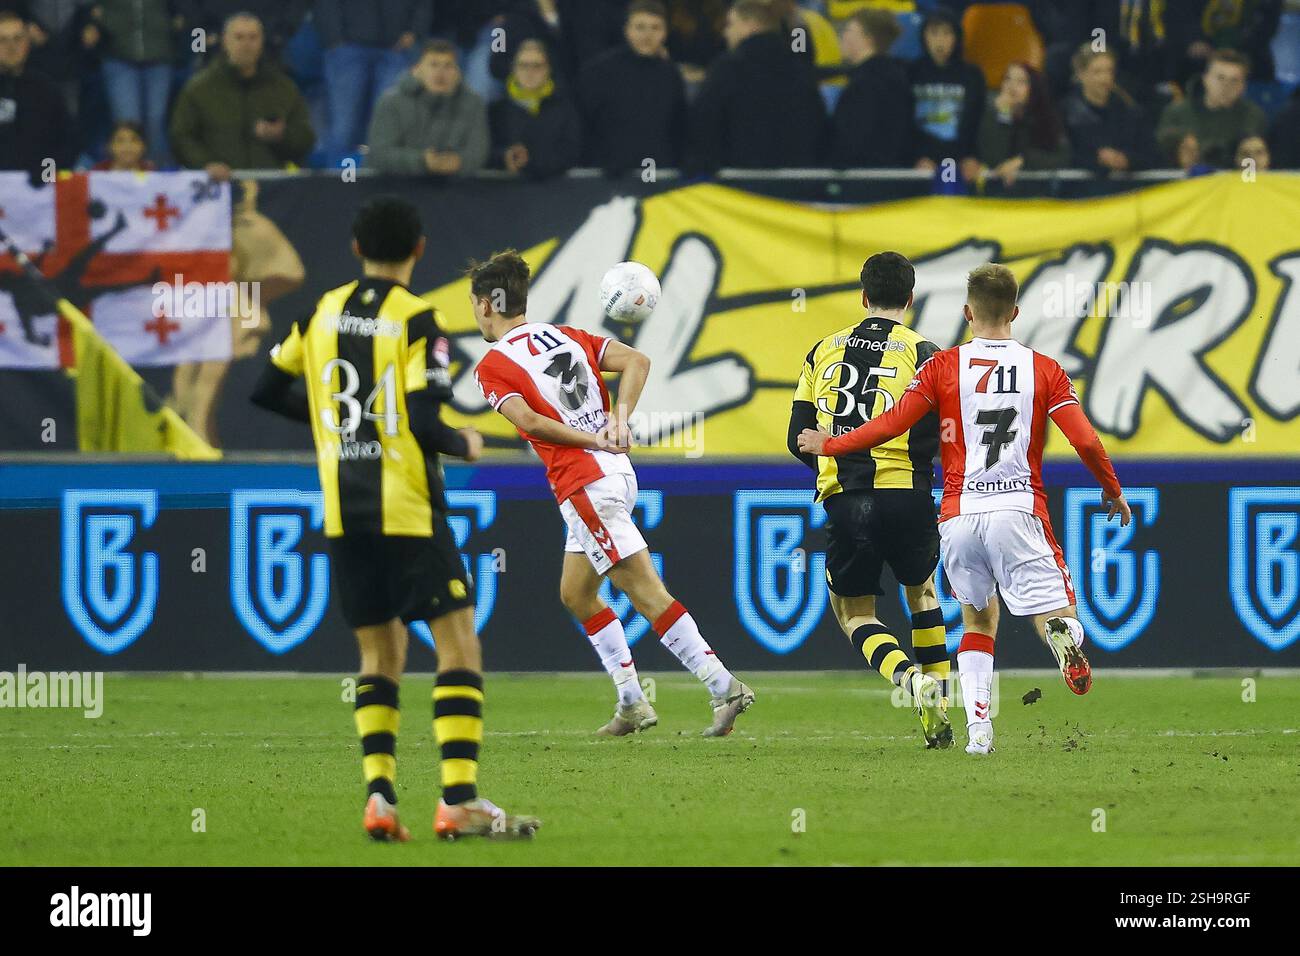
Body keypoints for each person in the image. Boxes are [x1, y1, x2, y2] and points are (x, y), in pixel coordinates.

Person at [249, 197, 540, 841]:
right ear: (420, 250)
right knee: (458, 642)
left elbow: (264, 390)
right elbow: (426, 420)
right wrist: (465, 441)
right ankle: (458, 798)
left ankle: (380, 796)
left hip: (344, 516)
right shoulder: (416, 320)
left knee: (378, 654)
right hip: (407, 508)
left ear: (355, 248)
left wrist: (334, 423)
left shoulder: (320, 314)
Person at [799, 264, 1130, 756]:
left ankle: (979, 734)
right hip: (1018, 506)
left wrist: (833, 444)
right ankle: (1062, 633)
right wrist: (1112, 488)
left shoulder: (942, 366)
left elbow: (891, 423)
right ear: (1015, 312)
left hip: (959, 514)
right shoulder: (1045, 370)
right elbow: (1084, 438)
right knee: (1053, 612)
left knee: (977, 622)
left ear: (966, 312)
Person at [470, 250, 755, 737]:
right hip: (614, 473)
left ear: (484, 305)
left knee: (642, 589)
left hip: (585, 482)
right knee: (577, 593)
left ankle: (723, 686)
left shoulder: (494, 365)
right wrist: (615, 422)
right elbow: (637, 361)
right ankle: (632, 702)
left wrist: (595, 436)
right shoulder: (563, 336)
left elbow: (533, 423)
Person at [786, 252, 952, 748]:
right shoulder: (927, 354)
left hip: (850, 501)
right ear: (911, 299)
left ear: (863, 298)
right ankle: (940, 704)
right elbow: (945, 431)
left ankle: (912, 682)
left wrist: (837, 469)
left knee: (854, 613)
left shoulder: (822, 351)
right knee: (922, 593)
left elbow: (798, 436)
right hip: (910, 496)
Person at [169, 12, 315, 179]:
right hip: (218, 190)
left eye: (253, 37)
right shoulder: (199, 89)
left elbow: (305, 139)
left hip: (272, 190)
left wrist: (281, 136)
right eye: (239, 37)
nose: (246, 44)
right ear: (225, 41)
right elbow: (181, 137)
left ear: (262, 41)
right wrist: (206, 164)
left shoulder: (284, 88)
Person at [688, 0, 825, 172]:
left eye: (730, 25)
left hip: (737, 184)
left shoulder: (727, 69)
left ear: (749, 25)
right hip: (796, 184)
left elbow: (704, 125)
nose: (726, 33)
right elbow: (818, 126)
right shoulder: (800, 71)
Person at [577, 0, 685, 173]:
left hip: (655, 172)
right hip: (608, 174)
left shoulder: (671, 75)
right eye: (640, 27)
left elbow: (678, 128)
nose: (647, 35)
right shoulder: (599, 71)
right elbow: (585, 124)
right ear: (626, 30)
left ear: (665, 33)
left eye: (655, 28)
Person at [314, 0, 430, 160]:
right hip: (347, 49)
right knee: (345, 127)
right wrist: (334, 37)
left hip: (395, 49)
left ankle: (375, 182)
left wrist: (415, 30)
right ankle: (341, 181)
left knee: (387, 125)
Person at [366, 39, 488, 177]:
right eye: (434, 65)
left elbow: (478, 151)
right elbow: (379, 154)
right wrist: (422, 161)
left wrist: (459, 162)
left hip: (454, 189)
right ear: (416, 69)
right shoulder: (391, 102)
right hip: (397, 186)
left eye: (448, 66)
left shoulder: (473, 103)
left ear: (458, 72)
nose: (441, 73)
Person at [91, 0, 175, 164]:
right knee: (127, 123)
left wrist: (179, 20)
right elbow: (87, 8)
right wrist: (97, 21)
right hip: (118, 54)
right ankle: (125, 180)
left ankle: (156, 179)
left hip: (159, 54)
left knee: (155, 122)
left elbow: (187, 9)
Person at [1156, 48, 1268, 170]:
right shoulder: (1176, 113)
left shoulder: (1253, 116)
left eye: (1234, 80)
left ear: (1243, 86)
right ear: (1205, 79)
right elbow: (1161, 156)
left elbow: (1253, 163)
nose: (1227, 86)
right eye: (1220, 78)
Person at [828, 9, 913, 168]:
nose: (843, 36)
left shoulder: (866, 84)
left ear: (868, 38)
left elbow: (853, 142)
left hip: (865, 180)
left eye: (848, 30)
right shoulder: (893, 74)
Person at [908, 6, 984, 182]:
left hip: (962, 160)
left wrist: (973, 156)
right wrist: (914, 157)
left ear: (956, 38)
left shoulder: (973, 76)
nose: (940, 41)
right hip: (921, 161)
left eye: (946, 34)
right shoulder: (910, 73)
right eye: (934, 33)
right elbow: (904, 123)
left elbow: (977, 122)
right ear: (924, 36)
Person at [489, 38, 581, 179]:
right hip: (505, 194)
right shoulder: (495, 111)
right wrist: (504, 156)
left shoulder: (565, 108)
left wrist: (531, 162)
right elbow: (484, 151)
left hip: (555, 192)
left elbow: (572, 152)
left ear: (548, 69)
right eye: (523, 65)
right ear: (514, 69)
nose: (530, 72)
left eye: (537, 66)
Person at [1062, 46, 1157, 175]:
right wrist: (1097, 161)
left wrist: (1126, 160)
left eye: (1109, 71)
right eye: (1097, 72)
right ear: (1081, 74)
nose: (1105, 78)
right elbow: (1064, 157)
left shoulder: (1131, 112)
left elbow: (1151, 155)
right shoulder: (1065, 113)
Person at [0, 8, 73, 176]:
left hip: (37, 193)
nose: (11, 47)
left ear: (28, 43)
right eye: (3, 40)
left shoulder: (47, 89)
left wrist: (48, 171)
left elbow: (69, 142)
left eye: (17, 39)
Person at [976, 62, 1070, 187]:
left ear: (1034, 88)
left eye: (1021, 81)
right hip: (998, 197)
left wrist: (1023, 161)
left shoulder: (1047, 118)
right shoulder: (991, 115)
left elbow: (1063, 157)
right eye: (1007, 79)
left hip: (1038, 198)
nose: (1011, 86)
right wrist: (1004, 115)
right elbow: (993, 159)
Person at [91, 119, 155, 170]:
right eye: (120, 141)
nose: (127, 146)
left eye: (134, 140)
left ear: (144, 146)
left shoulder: (151, 173)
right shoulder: (98, 172)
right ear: (109, 146)